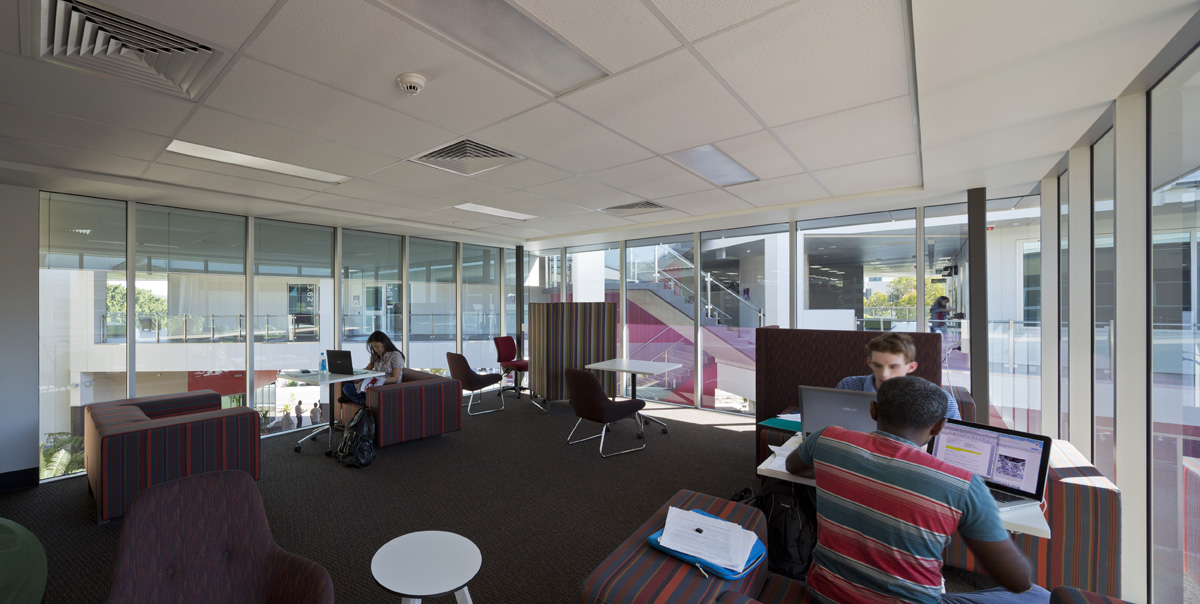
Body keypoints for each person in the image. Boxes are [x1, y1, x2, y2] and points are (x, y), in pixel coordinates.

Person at [786, 376, 1049, 604]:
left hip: (824, 594)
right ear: (939, 426)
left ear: (873, 410)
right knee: (1039, 595)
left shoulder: (827, 438)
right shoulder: (963, 485)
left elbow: (793, 466)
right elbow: (1016, 580)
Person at [836, 332, 960, 419]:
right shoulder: (848, 386)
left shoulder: (941, 399)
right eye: (877, 365)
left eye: (894, 367)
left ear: (911, 367)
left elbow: (951, 444)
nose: (884, 374)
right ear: (869, 362)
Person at [339, 331, 405, 405]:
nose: (375, 349)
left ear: (384, 343)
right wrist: (356, 375)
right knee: (346, 385)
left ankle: (361, 401)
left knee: (352, 389)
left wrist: (377, 380)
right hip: (373, 384)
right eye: (373, 347)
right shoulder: (376, 355)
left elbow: (395, 378)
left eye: (377, 346)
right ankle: (360, 398)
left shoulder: (395, 355)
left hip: (387, 386)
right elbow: (368, 369)